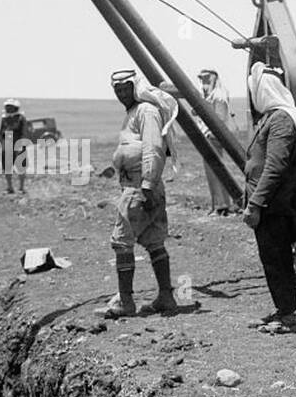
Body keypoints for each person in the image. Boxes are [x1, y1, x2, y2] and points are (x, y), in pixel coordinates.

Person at [99, 70, 181, 319]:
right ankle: (166, 297)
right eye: (117, 90)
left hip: (140, 187)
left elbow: (153, 147)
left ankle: (125, 301)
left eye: (125, 88)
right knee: (154, 240)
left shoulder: (146, 111)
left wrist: (147, 183)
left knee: (121, 241)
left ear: (135, 87)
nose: (121, 93)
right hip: (140, 185)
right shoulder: (133, 113)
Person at [243, 61, 296, 334]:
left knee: (277, 259)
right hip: (271, 204)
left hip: (272, 205)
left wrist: (256, 203)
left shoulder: (282, 120)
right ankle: (283, 309)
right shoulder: (273, 118)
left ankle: (288, 317)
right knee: (273, 259)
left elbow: (275, 166)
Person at [195, 69, 235, 215]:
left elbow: (219, 118)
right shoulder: (210, 94)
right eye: (202, 79)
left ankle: (221, 205)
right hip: (207, 136)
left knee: (216, 170)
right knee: (212, 171)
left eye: (207, 78)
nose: (204, 81)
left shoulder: (218, 94)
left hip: (213, 136)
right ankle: (219, 204)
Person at [0, 98, 34, 194]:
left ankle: (21, 188)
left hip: (18, 144)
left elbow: (24, 132)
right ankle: (10, 187)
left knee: (21, 167)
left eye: (10, 107)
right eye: (7, 107)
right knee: (7, 168)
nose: (9, 109)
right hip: (7, 145)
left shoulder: (21, 118)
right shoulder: (4, 118)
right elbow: (1, 132)